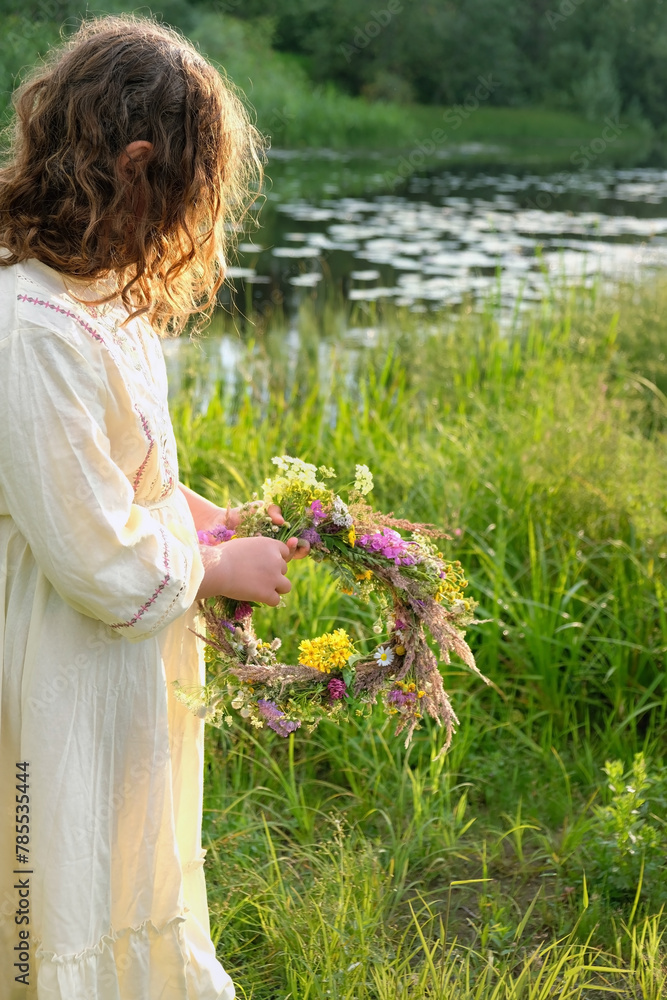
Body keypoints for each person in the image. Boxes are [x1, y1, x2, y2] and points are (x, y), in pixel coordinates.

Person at [0, 16, 307, 999]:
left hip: (115, 659)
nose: (185, 231)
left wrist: (208, 518)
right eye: (183, 200)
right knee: (58, 871)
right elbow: (90, 550)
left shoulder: (105, 299)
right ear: (135, 168)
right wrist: (210, 568)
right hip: (55, 649)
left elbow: (128, 477)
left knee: (123, 855)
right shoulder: (30, 326)